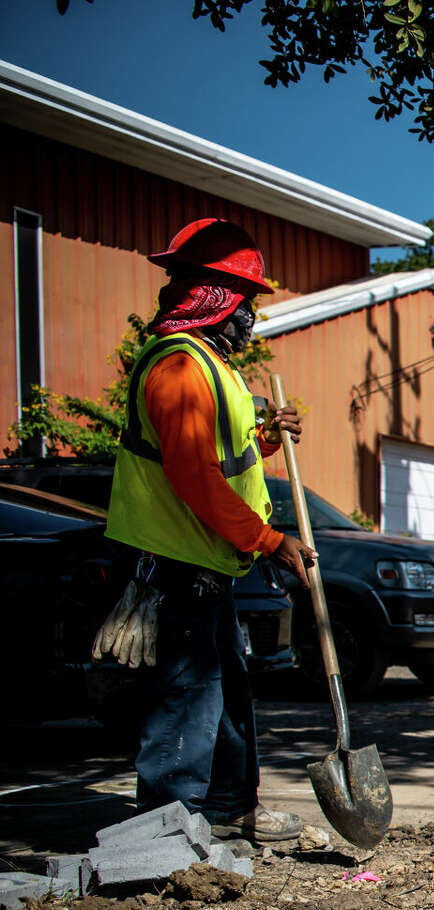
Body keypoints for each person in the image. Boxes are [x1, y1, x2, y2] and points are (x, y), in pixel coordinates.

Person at [105, 218, 318, 843]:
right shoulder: (177, 368)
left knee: (225, 693)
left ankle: (227, 811)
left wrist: (268, 436)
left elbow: (228, 460)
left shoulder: (211, 367)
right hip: (171, 565)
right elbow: (195, 479)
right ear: (213, 298)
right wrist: (271, 541)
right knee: (185, 701)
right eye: (245, 304)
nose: (250, 319)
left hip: (209, 563)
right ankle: (161, 835)